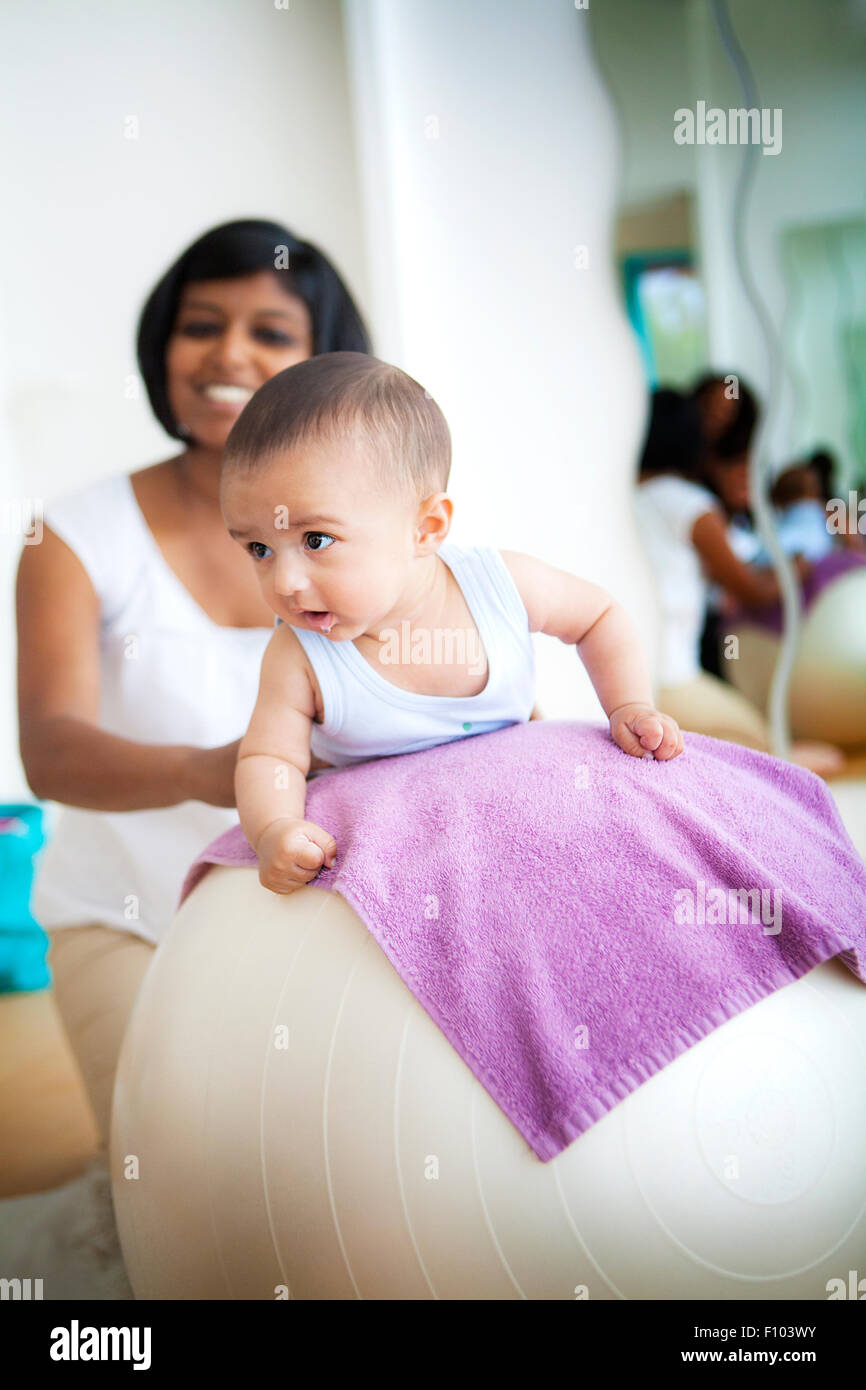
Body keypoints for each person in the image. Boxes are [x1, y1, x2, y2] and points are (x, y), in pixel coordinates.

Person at [16, 218, 371, 1155]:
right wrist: (222, 773)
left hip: (323, 910)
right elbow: (50, 751)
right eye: (201, 324)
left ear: (323, 360)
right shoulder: (71, 537)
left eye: (270, 332)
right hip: (130, 921)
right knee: (183, 1166)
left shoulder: (374, 535)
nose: (229, 353)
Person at [218, 353, 685, 894]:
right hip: (400, 855)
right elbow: (269, 756)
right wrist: (275, 827)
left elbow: (599, 616)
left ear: (426, 528)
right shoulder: (299, 655)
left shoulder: (500, 586)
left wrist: (628, 705)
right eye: (259, 549)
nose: (285, 584)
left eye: (316, 540)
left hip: (509, 816)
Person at [634, 388, 844, 775]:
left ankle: (780, 754)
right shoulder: (690, 505)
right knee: (761, 744)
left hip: (637, 674)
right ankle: (784, 760)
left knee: (750, 735)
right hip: (672, 676)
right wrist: (795, 568)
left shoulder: (630, 497)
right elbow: (749, 588)